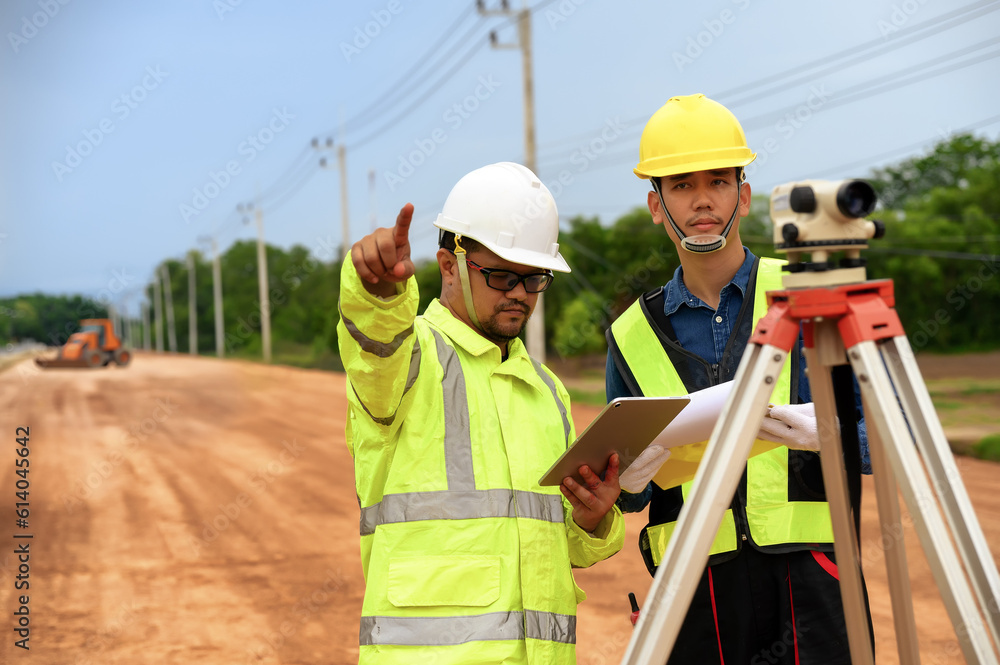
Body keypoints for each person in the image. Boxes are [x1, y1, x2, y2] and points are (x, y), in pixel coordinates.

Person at [605, 94, 873, 664]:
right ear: (656, 205)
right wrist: (630, 478)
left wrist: (825, 430)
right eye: (680, 185)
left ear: (743, 196)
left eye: (718, 181)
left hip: (814, 577)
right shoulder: (630, 334)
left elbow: (889, 434)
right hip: (694, 589)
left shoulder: (810, 294)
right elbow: (625, 495)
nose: (702, 199)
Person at [339, 161, 625, 664]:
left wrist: (590, 520)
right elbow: (375, 340)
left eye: (534, 278)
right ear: (449, 265)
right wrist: (378, 296)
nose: (519, 292)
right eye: (500, 275)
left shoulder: (547, 390)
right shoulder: (412, 358)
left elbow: (564, 549)